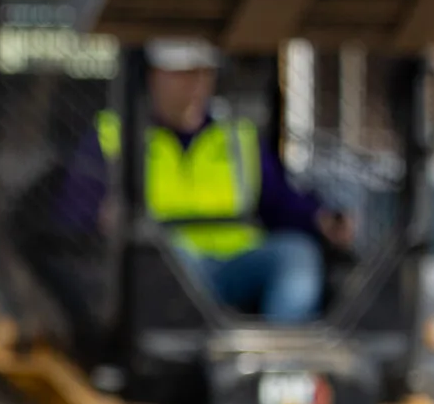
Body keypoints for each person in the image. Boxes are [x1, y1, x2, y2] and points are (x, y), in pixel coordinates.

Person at [55, 38, 353, 321]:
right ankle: (193, 348)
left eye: (202, 72)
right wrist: (101, 217)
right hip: (168, 269)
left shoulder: (237, 136)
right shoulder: (112, 135)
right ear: (152, 75)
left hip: (238, 261)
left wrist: (319, 218)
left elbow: (278, 200)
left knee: (297, 254)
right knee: (167, 260)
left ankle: (280, 360)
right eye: (181, 74)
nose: (195, 84)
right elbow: (75, 210)